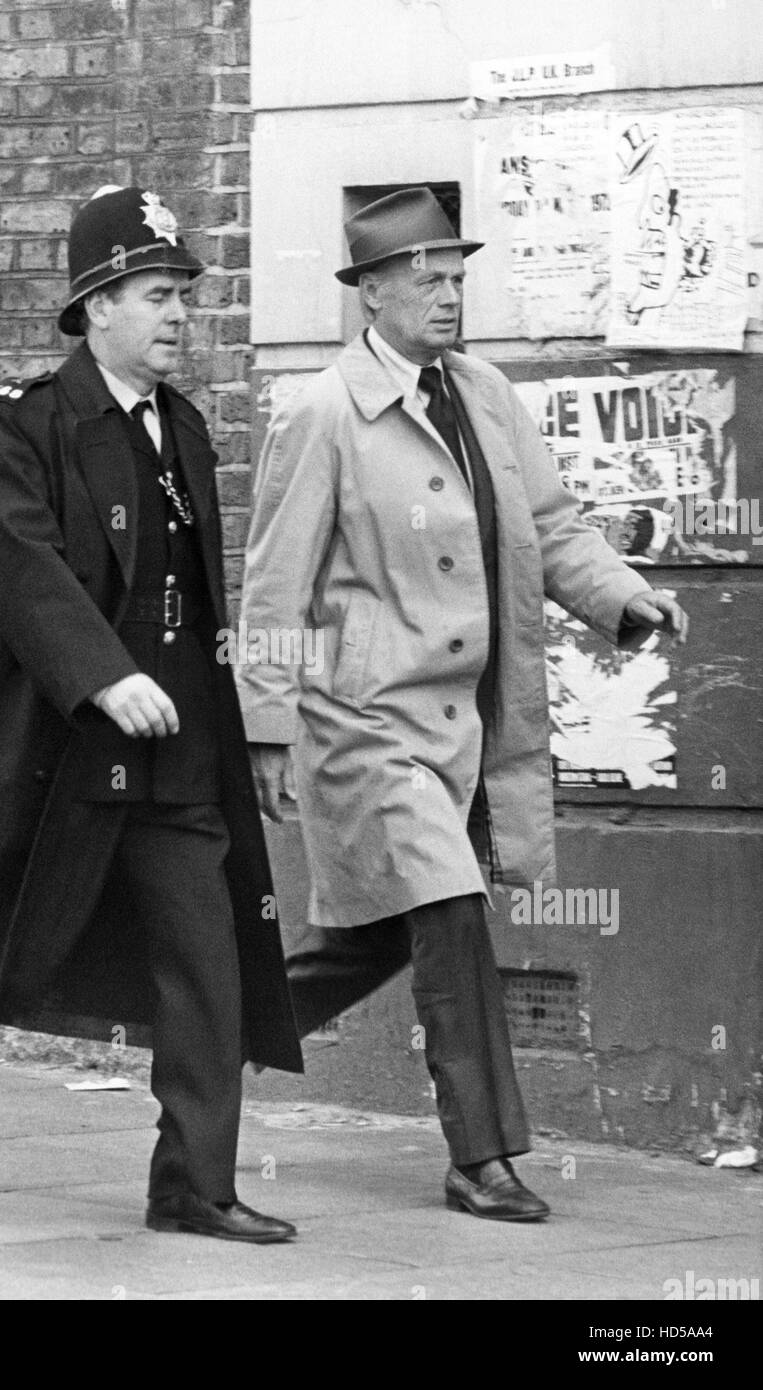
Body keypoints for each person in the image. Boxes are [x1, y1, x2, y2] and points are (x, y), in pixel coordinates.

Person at [0, 185, 301, 1244]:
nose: (180, 316)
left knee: (208, 967)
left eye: (184, 296)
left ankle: (192, 1185)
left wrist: (254, 733)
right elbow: (23, 568)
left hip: (181, 762)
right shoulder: (28, 424)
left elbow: (215, 599)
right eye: (159, 295)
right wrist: (104, 673)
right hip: (60, 754)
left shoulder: (187, 431)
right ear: (97, 306)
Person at [239, 187, 687, 1222]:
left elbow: (556, 528)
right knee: (447, 902)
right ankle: (479, 1154)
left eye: (457, 277)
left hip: (473, 722)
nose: (449, 296)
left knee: (376, 938)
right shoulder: (321, 414)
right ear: (373, 290)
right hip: (369, 722)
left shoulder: (483, 393)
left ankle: (209, 1044)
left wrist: (626, 596)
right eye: (428, 278)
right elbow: (273, 590)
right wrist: (267, 726)